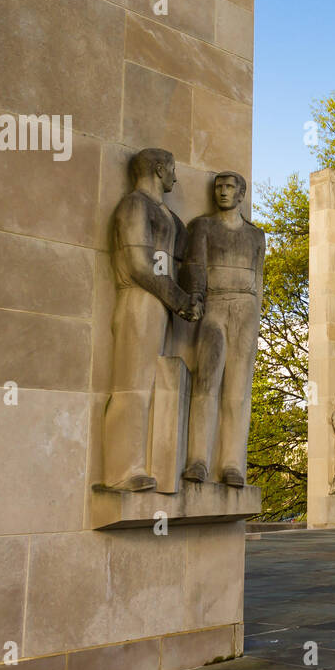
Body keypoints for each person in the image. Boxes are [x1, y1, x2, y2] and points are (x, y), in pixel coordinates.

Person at [103, 148, 201, 491]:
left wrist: (191, 298)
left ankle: (157, 467)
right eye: (173, 169)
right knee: (133, 385)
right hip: (140, 300)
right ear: (160, 169)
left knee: (160, 384)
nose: (176, 176)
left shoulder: (169, 216)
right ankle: (122, 470)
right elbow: (138, 264)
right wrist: (179, 299)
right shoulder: (135, 205)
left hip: (165, 305)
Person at [182, 171, 265, 488]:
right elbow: (196, 267)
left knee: (237, 391)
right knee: (207, 382)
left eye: (230, 187)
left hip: (245, 310)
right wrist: (196, 298)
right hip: (214, 305)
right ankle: (198, 460)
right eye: (219, 187)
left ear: (241, 193)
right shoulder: (202, 226)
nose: (223, 192)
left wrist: (254, 316)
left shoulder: (256, 235)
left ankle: (232, 463)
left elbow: (258, 281)